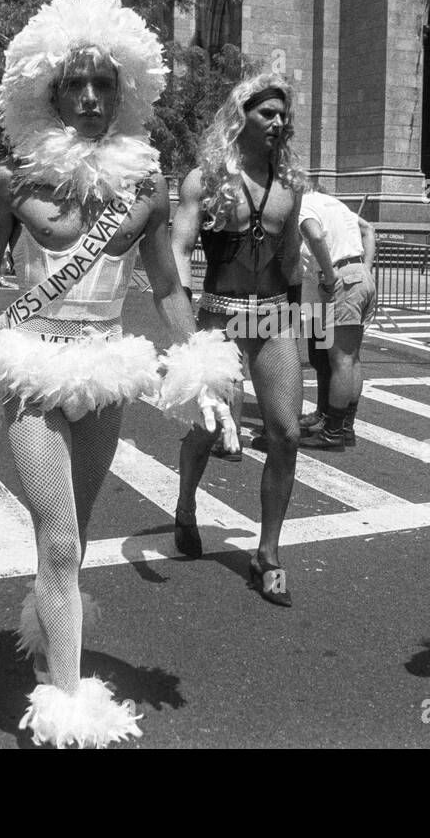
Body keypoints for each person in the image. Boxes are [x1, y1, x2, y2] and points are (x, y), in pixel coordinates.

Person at [0, 0, 236, 748]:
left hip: (104, 365)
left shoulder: (146, 186)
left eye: (103, 85)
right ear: (47, 91)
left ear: (125, 92)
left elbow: (163, 286)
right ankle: (65, 707)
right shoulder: (9, 179)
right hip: (30, 365)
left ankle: (45, 617)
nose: (90, 98)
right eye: (74, 84)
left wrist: (202, 367)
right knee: (58, 541)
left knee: (75, 540)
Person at [171, 72, 306, 606]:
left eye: (282, 115)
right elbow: (179, 248)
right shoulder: (204, 180)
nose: (278, 123)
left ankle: (267, 553)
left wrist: (306, 323)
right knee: (209, 430)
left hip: (273, 320)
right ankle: (185, 504)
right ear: (241, 117)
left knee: (287, 433)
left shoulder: (291, 185)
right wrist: (185, 329)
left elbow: (291, 257)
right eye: (266, 113)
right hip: (219, 319)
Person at [296, 190, 377, 449]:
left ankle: (333, 433)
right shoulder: (334, 204)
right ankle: (344, 428)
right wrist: (366, 267)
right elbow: (369, 229)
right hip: (359, 275)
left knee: (341, 360)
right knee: (351, 359)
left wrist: (330, 277)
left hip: (342, 277)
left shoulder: (304, 206)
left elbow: (316, 235)